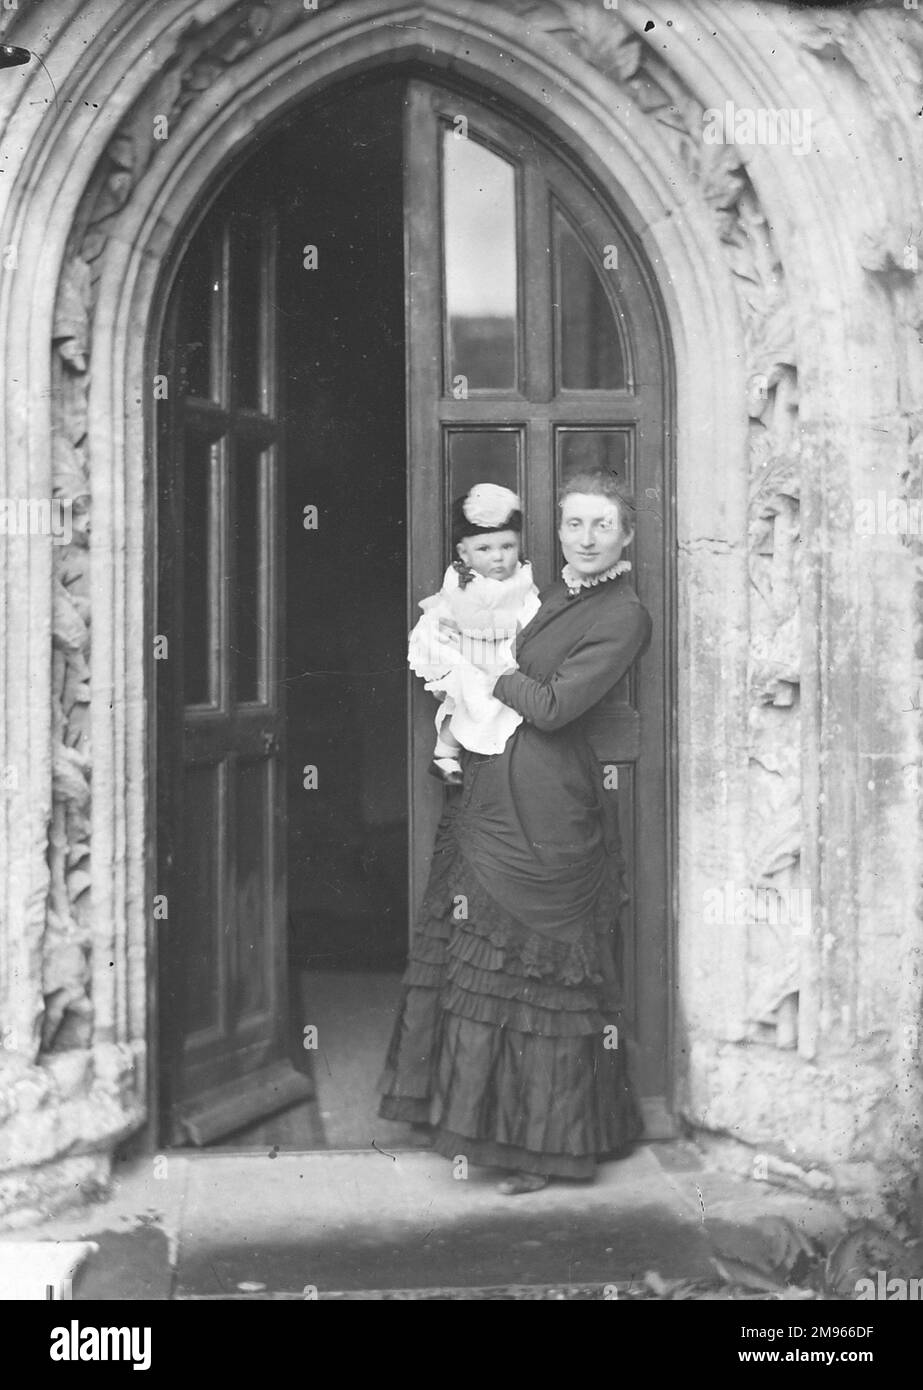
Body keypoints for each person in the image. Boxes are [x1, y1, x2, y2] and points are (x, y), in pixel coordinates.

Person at [379, 469, 652, 1194]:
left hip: (550, 805)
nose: (585, 538)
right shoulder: (553, 595)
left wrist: (487, 666)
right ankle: (492, 1135)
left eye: (600, 525)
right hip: (490, 793)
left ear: (626, 534)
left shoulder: (623, 613)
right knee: (483, 967)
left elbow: (555, 707)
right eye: (572, 524)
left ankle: (546, 1149)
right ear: (556, 531)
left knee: (540, 975)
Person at [408, 483, 540, 785]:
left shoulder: (521, 577)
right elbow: (472, 621)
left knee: (498, 697)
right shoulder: (464, 583)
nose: (498, 558)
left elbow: (531, 608)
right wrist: (512, 627)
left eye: (507, 547)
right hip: (460, 641)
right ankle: (445, 753)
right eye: (484, 549)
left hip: (499, 648)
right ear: (463, 554)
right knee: (468, 693)